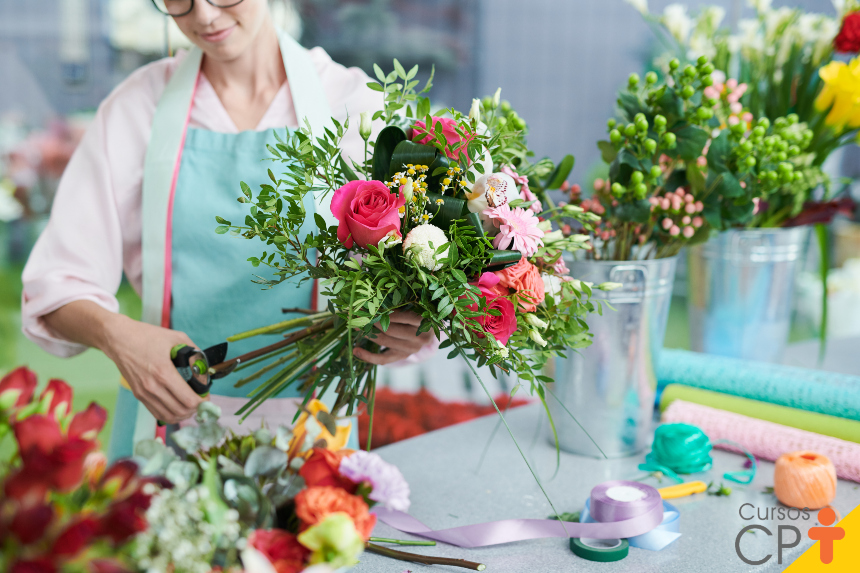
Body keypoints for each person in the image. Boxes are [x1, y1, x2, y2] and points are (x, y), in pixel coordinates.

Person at [21, 0, 435, 460]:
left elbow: (424, 266)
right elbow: (54, 286)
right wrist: (118, 337)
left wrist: (413, 327)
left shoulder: (355, 106)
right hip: (166, 431)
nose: (203, 16)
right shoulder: (137, 108)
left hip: (316, 449)